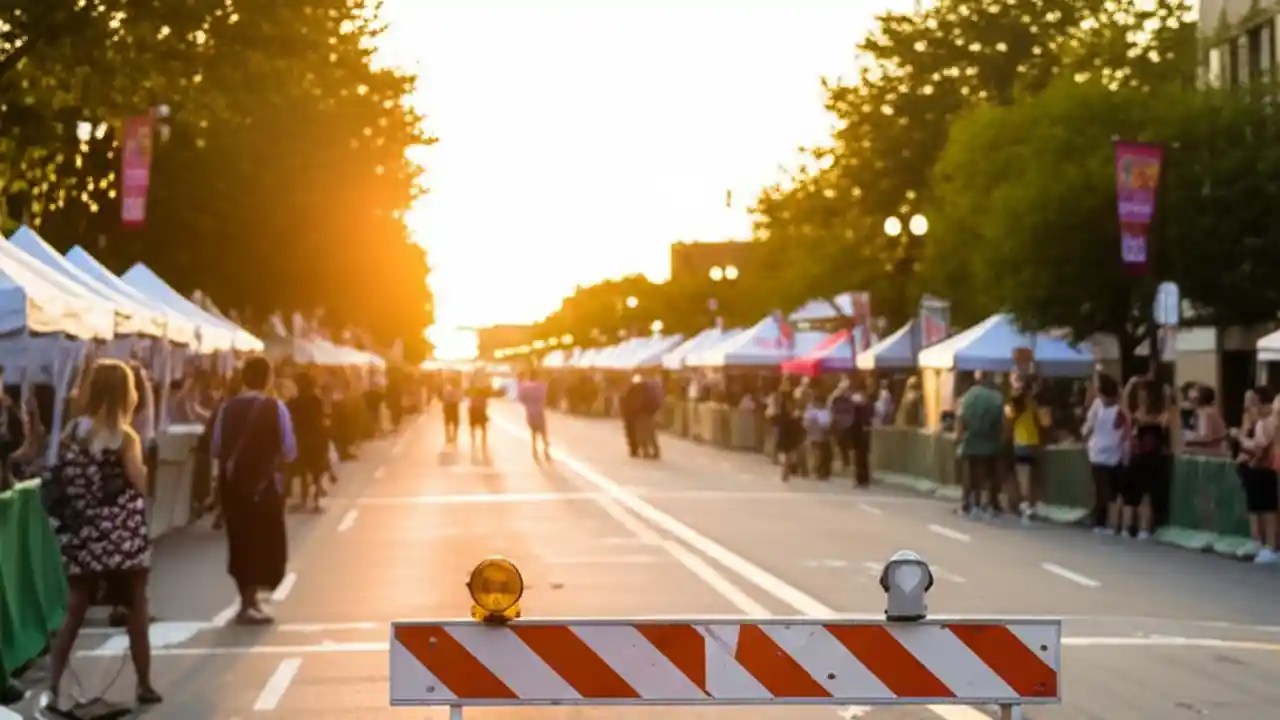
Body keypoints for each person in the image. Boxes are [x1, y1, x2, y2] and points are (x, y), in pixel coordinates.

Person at [44, 359, 161, 711]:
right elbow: (139, 482)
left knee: (75, 610)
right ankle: (143, 683)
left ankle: (53, 684)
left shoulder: (71, 433)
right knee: (136, 608)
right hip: (122, 539)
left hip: (82, 534)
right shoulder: (124, 437)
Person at [212, 356, 296, 624]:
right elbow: (289, 449)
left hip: (233, 487)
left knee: (240, 541)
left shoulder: (226, 409)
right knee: (266, 542)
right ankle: (252, 601)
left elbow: (216, 448)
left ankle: (247, 599)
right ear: (268, 378)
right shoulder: (276, 408)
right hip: (265, 487)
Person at [1121, 377, 1173, 540]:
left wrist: (1129, 386)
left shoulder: (1140, 415)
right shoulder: (1152, 416)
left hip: (1144, 456)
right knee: (1141, 494)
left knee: (1138, 494)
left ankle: (1132, 527)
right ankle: (1138, 527)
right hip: (1146, 456)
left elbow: (1125, 407)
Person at [1234, 387, 1278, 564]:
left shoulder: (1267, 422)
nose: (1249, 407)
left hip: (1266, 469)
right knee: (1259, 508)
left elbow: (1260, 448)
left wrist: (1241, 439)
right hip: (1257, 470)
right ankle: (1262, 544)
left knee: (1268, 510)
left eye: (1252, 402)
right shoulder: (1256, 421)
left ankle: (1270, 547)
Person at [1082, 373, 1127, 534]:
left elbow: (1089, 426)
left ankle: (1105, 521)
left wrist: (1085, 436)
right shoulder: (1106, 405)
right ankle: (1104, 520)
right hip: (1107, 451)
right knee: (1107, 489)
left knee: (1106, 489)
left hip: (1106, 451)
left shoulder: (1105, 406)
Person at [955, 371, 1005, 518]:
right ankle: (992, 503)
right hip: (991, 443)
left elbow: (960, 420)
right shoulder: (997, 398)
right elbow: (1003, 425)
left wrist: (959, 437)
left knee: (969, 474)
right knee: (990, 475)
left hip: (970, 442)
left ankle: (968, 504)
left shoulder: (967, 397)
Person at [1005, 374, 1051, 524]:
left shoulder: (1013, 405)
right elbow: (1044, 423)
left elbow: (1008, 422)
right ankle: (1031, 504)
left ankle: (1024, 505)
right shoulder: (1033, 403)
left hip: (1019, 442)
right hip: (1033, 442)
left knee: (1022, 476)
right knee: (1032, 476)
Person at [287, 372, 330, 513]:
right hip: (316, 438)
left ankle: (304, 500)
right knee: (316, 470)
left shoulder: (294, 402)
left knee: (303, 469)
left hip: (301, 439)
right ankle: (316, 500)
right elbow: (322, 419)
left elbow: (291, 420)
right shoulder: (317, 400)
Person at [767, 379, 803, 482]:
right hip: (787, 426)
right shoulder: (781, 398)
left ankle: (786, 469)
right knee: (787, 450)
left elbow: (776, 412)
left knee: (787, 450)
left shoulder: (785, 398)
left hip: (787, 426)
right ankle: (786, 469)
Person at [1184, 385, 1229, 457]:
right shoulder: (1208, 411)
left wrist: (1188, 439)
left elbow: (1205, 436)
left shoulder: (1205, 412)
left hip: (1214, 453)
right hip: (1216, 450)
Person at [517, 370, 552, 462]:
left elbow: (520, 398)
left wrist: (528, 404)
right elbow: (545, 398)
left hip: (530, 412)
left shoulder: (524, 386)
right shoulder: (541, 386)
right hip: (539, 411)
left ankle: (534, 451)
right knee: (543, 432)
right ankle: (545, 451)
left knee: (533, 433)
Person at [803, 392, 833, 479]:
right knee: (816, 454)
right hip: (815, 436)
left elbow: (827, 425)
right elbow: (806, 423)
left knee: (819, 454)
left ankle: (817, 470)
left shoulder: (824, 411)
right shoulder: (813, 410)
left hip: (820, 436)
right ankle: (815, 470)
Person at [467, 375, 491, 457]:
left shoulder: (473, 393)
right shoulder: (481, 394)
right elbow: (485, 404)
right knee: (483, 428)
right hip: (480, 412)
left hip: (474, 412)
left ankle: (474, 442)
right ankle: (483, 442)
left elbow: (471, 404)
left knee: (473, 428)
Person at [441, 378, 462, 446]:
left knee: (447, 422)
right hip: (454, 407)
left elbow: (444, 398)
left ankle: (448, 437)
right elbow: (459, 398)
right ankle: (454, 436)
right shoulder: (457, 390)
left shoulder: (446, 389)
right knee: (455, 423)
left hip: (448, 406)